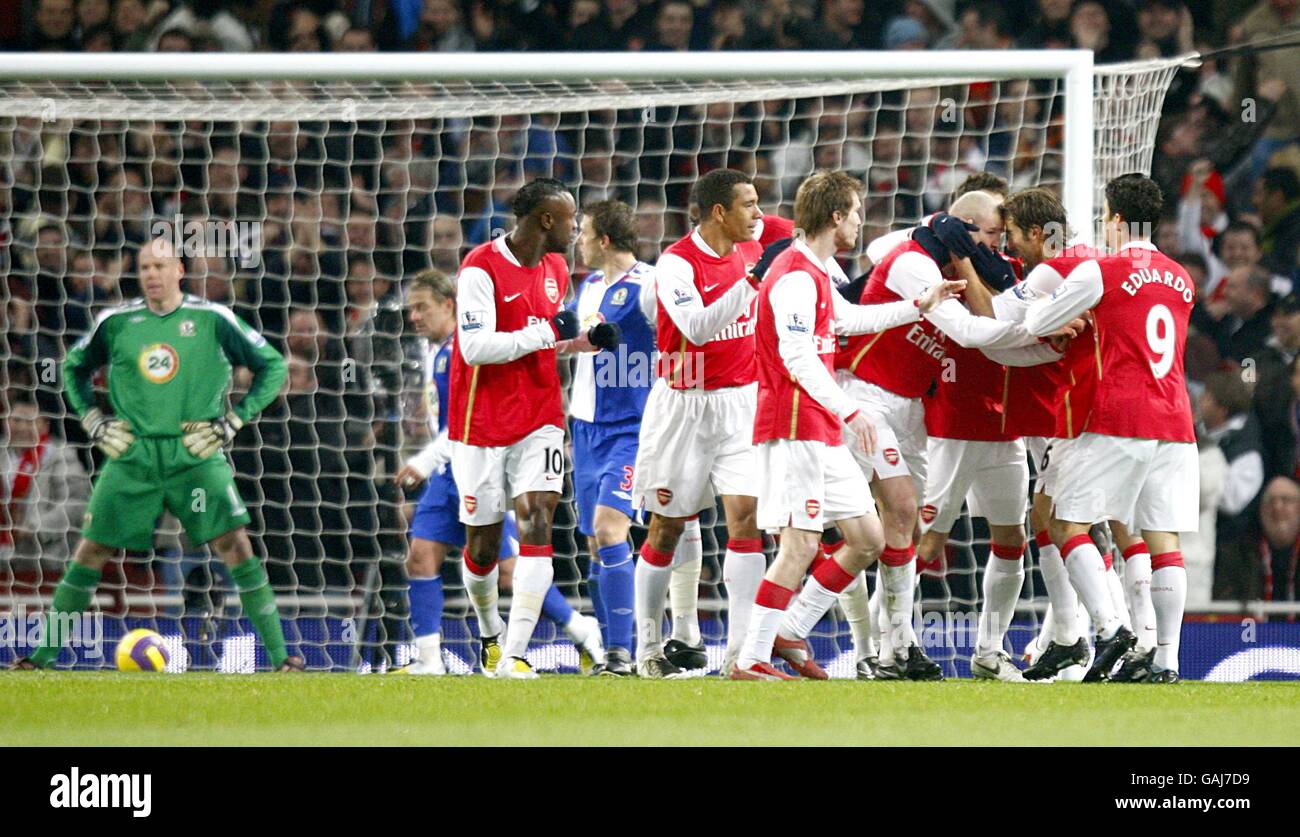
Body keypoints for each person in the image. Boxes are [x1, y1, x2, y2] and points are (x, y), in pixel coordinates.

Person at [12, 236, 297, 671]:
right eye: (144, 267)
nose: (151, 275)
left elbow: (273, 365)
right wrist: (92, 420)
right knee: (90, 551)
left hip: (195, 451)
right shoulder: (117, 322)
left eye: (160, 267)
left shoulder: (213, 318)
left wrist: (234, 421)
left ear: (179, 271)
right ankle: (41, 657)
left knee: (236, 545)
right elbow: (73, 367)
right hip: (134, 454)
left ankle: (281, 658)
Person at [734, 169, 961, 680]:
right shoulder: (794, 273)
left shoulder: (817, 270)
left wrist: (919, 306)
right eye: (856, 212)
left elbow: (848, 320)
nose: (860, 222)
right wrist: (851, 409)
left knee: (866, 537)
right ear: (836, 216)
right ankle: (750, 658)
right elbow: (796, 354)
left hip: (819, 429)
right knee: (800, 544)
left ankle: (791, 629)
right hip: (793, 426)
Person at [834, 188, 1043, 680]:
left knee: (924, 529)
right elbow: (881, 252)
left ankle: (930, 650)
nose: (999, 245)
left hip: (932, 413)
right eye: (991, 233)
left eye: (1002, 234)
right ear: (961, 228)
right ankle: (864, 644)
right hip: (890, 404)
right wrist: (1041, 334)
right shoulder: (915, 261)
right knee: (870, 530)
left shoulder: (996, 266)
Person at [1023, 173, 1199, 683]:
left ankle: (1109, 630)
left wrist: (1052, 313)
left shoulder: (1104, 270)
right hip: (1175, 420)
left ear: (1116, 218)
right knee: (1163, 539)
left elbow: (1037, 324)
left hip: (1120, 417)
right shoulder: (1182, 278)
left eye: (1105, 214)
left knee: (1066, 523)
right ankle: (1166, 659)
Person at [393, 269, 603, 675]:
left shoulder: (466, 350)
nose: (414, 317)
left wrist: (423, 461)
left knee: (509, 571)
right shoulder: (437, 351)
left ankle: (582, 629)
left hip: (479, 463)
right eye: (410, 309)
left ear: (449, 305)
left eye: (422, 308)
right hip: (447, 475)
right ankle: (430, 659)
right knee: (420, 558)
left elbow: (465, 421)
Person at [448, 177, 616, 679]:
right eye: (570, 218)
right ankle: (488, 631)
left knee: (538, 520)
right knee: (481, 546)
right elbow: (477, 348)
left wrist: (584, 341)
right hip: (479, 421)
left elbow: (547, 341)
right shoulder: (480, 267)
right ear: (546, 220)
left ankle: (516, 653)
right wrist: (550, 331)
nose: (577, 226)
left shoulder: (557, 267)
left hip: (540, 415)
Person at [631, 168, 766, 679]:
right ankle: (647, 648)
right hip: (683, 406)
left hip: (740, 405)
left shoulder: (756, 246)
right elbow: (699, 327)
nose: (758, 214)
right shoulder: (675, 264)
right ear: (719, 212)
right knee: (666, 527)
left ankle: (741, 654)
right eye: (749, 205)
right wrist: (752, 282)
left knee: (747, 520)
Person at [567, 199, 692, 676]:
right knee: (596, 546)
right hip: (585, 428)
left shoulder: (650, 284)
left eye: (584, 234)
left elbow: (681, 335)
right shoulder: (590, 285)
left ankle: (626, 652)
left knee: (609, 529)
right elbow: (579, 341)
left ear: (603, 241)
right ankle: (611, 652)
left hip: (632, 428)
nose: (577, 241)